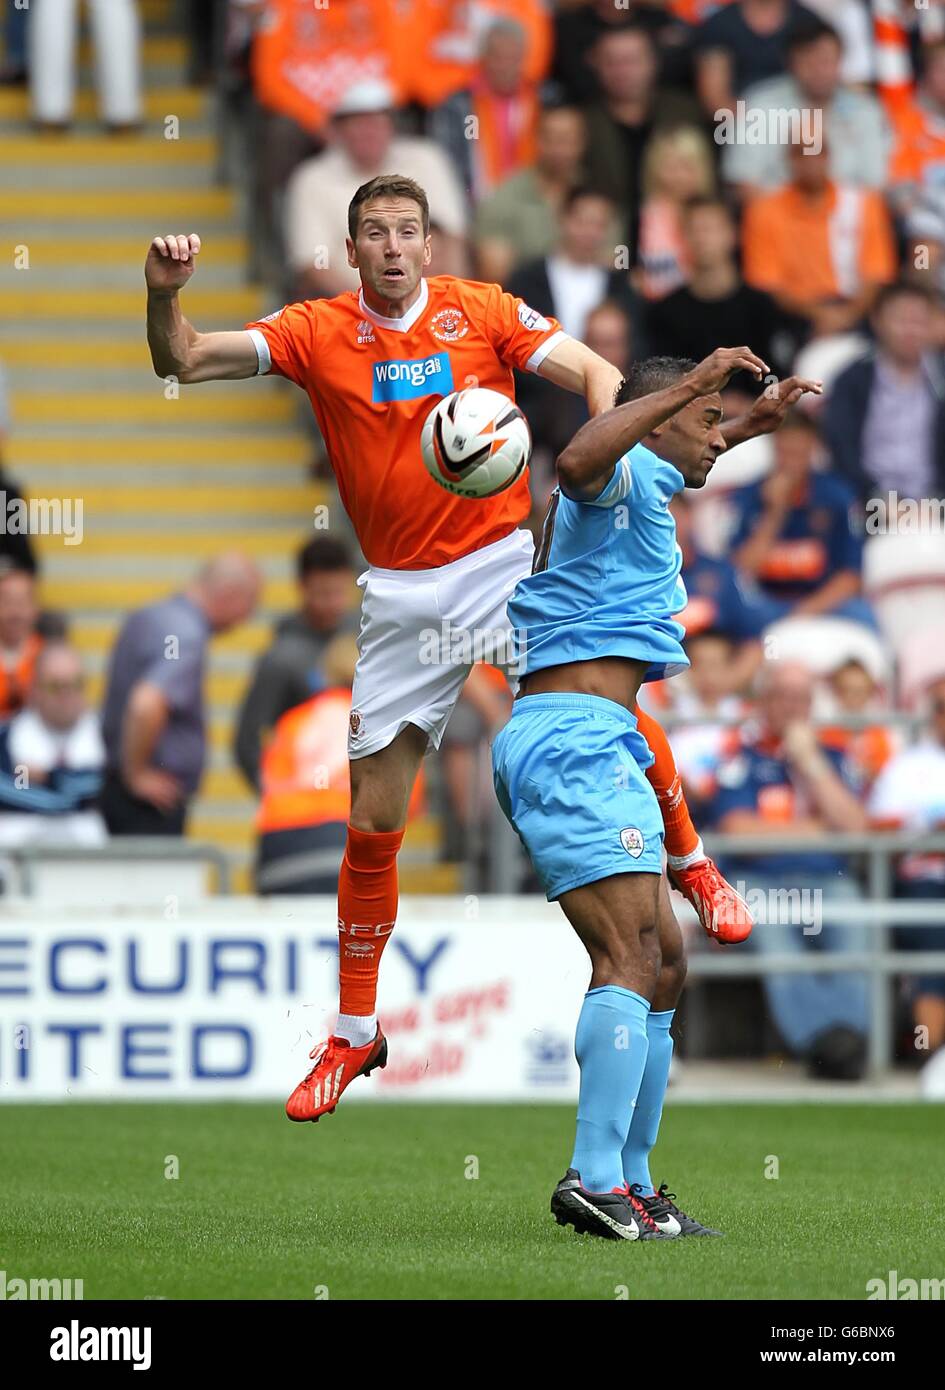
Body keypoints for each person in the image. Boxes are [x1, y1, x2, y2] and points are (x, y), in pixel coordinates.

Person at [144, 174, 751, 1128]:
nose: (391, 246)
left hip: (500, 563)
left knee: (595, 706)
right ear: (352, 252)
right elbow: (181, 361)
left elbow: (596, 376)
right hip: (398, 595)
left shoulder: (482, 310)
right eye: (374, 233)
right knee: (372, 819)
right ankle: (354, 1030)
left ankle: (693, 859)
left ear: (429, 244)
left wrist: (618, 466)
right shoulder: (314, 331)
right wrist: (164, 295)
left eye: (406, 231)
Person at [492, 347, 819, 1239]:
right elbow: (579, 460)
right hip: (571, 740)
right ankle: (592, 1177)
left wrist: (754, 421)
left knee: (664, 966)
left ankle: (632, 1181)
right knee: (629, 960)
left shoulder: (649, 475)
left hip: (602, 739)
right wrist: (690, 384)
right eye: (708, 420)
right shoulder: (611, 474)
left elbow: (669, 452)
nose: (717, 436)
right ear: (664, 412)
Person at [710, 659, 871, 1080]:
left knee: (855, 937)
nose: (790, 707)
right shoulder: (740, 756)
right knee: (781, 949)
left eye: (800, 698)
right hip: (759, 880)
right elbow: (737, 831)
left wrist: (810, 764)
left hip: (827, 880)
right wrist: (821, 830)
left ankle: (846, 1041)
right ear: (763, 701)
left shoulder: (832, 756)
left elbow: (855, 828)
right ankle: (825, 1045)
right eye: (781, 696)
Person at [100, 553, 261, 836]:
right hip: (149, 806)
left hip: (117, 792)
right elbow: (146, 703)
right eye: (249, 606)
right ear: (229, 594)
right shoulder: (186, 635)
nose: (244, 619)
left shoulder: (150, 616)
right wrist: (136, 774)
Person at [283, 80, 468, 302]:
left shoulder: (426, 159)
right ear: (339, 130)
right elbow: (313, 264)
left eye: (377, 123)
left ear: (392, 126)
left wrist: (452, 301)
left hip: (431, 303)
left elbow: (453, 238)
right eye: (359, 124)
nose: (369, 131)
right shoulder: (311, 179)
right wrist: (372, 306)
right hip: (347, 310)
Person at [741, 139, 897, 341]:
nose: (811, 162)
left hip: (856, 311)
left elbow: (876, 273)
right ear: (789, 159)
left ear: (829, 157)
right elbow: (768, 284)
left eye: (818, 154)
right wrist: (823, 316)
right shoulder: (763, 211)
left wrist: (847, 316)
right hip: (794, 316)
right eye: (801, 154)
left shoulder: (862, 204)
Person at [869, 671, 945, 1082]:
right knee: (934, 931)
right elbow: (877, 831)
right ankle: (930, 1056)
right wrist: (928, 831)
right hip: (923, 879)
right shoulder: (908, 767)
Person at [234, 536, 357, 792]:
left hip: (356, 798)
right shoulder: (281, 657)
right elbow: (247, 739)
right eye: (322, 593)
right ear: (301, 586)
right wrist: (275, 795)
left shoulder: (364, 640)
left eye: (339, 593)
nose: (333, 603)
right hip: (304, 803)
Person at [720, 12, 889, 197]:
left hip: (847, 219)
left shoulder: (866, 111)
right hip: (778, 218)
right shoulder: (760, 105)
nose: (818, 71)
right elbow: (742, 182)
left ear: (840, 61)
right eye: (808, 62)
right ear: (790, 64)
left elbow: (876, 184)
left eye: (825, 61)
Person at [729, 408, 871, 625]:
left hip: (822, 603)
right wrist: (774, 513)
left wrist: (806, 611)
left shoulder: (839, 496)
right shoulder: (748, 497)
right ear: (774, 449)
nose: (791, 464)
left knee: (862, 615)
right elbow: (742, 572)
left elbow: (851, 577)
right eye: (785, 453)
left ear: (812, 450)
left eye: (798, 454)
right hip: (767, 603)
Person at [823, 280, 945, 505]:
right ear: (877, 320)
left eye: (919, 322)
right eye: (901, 320)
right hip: (867, 503)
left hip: (935, 506)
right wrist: (876, 498)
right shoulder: (852, 380)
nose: (910, 331)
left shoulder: (940, 377)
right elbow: (841, 449)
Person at [646, 197, 793, 381]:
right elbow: (663, 385)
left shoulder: (762, 307)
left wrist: (751, 404)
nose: (701, 238)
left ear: (732, 234)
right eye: (693, 231)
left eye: (709, 229)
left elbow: (778, 377)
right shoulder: (664, 313)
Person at [0, 642, 106, 856]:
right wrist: (73, 787)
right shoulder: (6, 737)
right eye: (55, 686)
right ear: (35, 688)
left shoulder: (108, 736)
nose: (65, 695)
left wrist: (47, 778)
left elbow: (109, 792)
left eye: (74, 685)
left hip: (91, 865)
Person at [474, 103, 588, 287]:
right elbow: (494, 274)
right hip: (525, 304)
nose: (559, 149)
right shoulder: (504, 197)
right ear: (536, 140)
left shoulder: (598, 195)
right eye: (551, 139)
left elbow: (613, 263)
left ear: (582, 143)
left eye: (567, 139)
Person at [429, 18, 539, 205]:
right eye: (497, 57)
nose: (505, 66)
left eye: (512, 58)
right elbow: (447, 163)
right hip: (476, 206)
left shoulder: (540, 101)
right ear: (483, 58)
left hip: (530, 205)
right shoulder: (459, 106)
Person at [0, 566, 43, 718]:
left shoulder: (48, 657)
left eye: (22, 602)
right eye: (7, 602)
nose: (15, 612)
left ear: (35, 608)